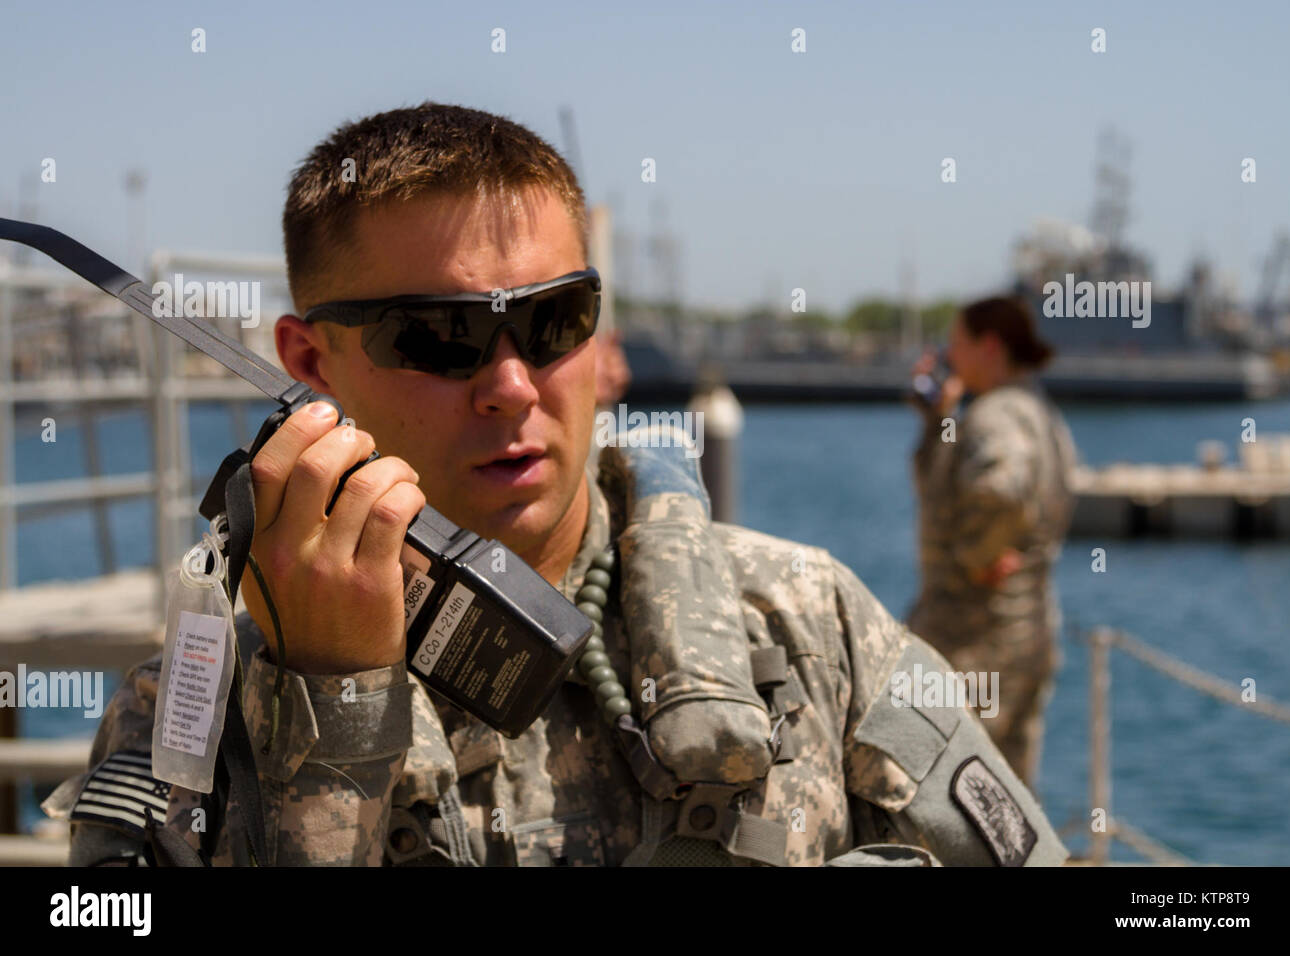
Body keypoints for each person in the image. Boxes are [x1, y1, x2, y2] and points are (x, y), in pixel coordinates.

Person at [45, 104, 1067, 867]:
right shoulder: (189, 712)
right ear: (308, 361)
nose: (510, 384)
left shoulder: (805, 623)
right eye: (435, 335)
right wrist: (335, 706)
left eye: (553, 319)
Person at [906, 297, 1078, 789]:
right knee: (1006, 796)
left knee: (946, 788)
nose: (948, 355)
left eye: (956, 343)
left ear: (990, 346)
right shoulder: (1037, 412)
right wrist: (937, 419)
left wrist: (973, 558)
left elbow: (1002, 489)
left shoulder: (996, 415)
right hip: (1027, 626)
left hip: (975, 635)